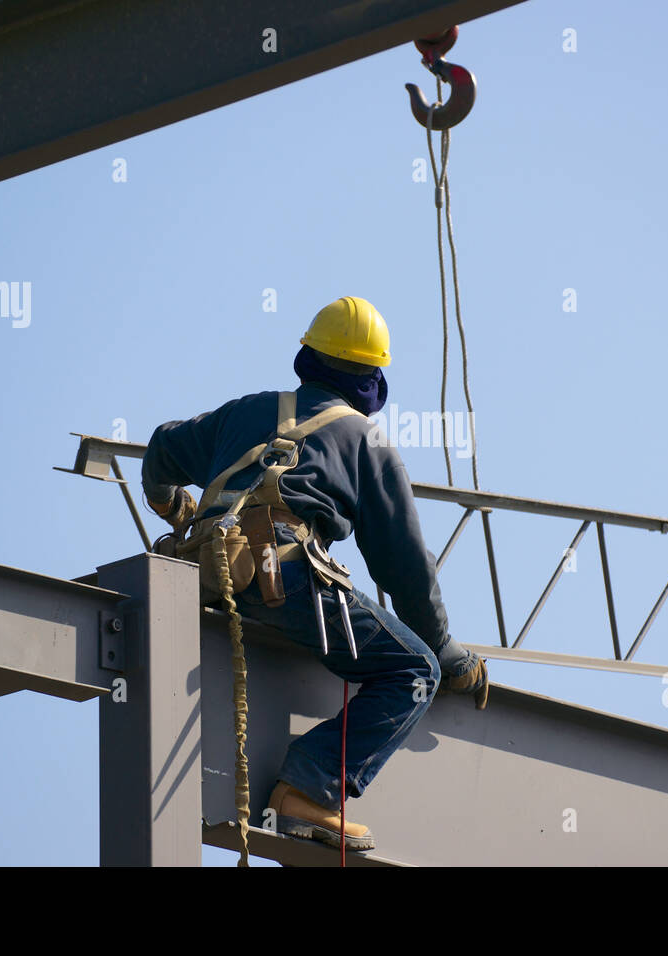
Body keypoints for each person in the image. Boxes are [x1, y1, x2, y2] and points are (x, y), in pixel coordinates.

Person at [141, 296, 488, 851]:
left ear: (308, 355)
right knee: (412, 672)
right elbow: (405, 567)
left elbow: (162, 448)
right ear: (373, 376)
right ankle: (307, 791)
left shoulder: (249, 410)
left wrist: (173, 506)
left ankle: (302, 794)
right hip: (286, 576)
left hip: (208, 571)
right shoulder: (367, 442)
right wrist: (448, 654)